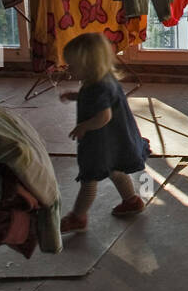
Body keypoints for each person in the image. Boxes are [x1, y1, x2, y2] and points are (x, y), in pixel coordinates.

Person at [58, 33, 151, 233]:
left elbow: (104, 116)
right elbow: (95, 101)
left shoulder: (97, 88)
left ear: (89, 65)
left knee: (89, 177)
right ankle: (131, 200)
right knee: (115, 169)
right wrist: (76, 96)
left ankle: (78, 217)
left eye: (73, 66)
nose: (69, 70)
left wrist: (84, 126)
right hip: (115, 139)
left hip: (101, 141)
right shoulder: (101, 80)